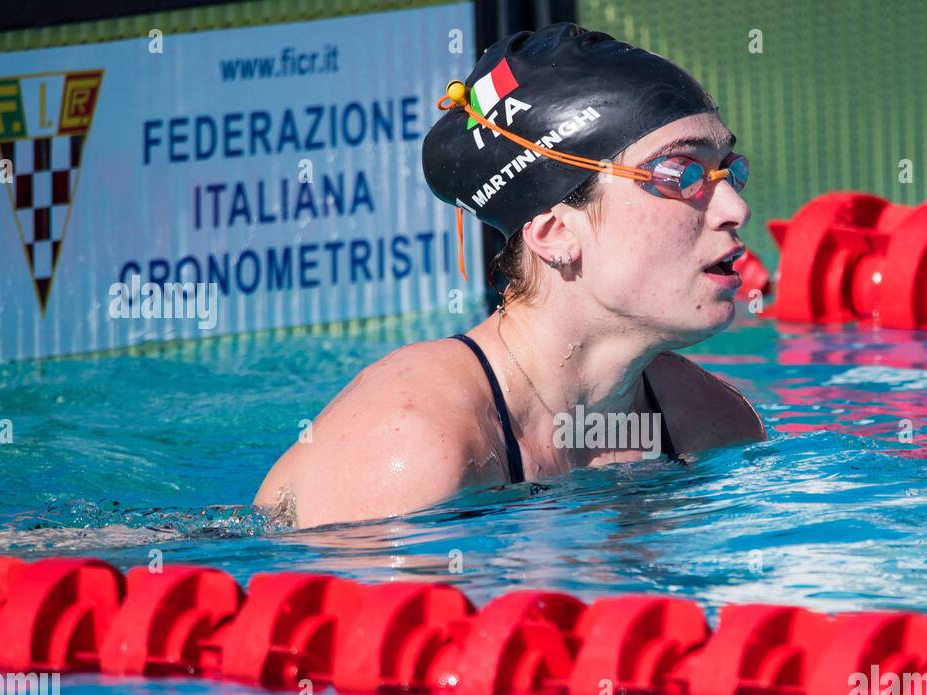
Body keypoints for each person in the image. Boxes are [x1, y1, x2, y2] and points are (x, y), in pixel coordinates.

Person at [255, 22, 765, 529]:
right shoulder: (414, 451)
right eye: (681, 174)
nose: (735, 208)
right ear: (554, 233)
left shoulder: (711, 423)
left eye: (729, 169)